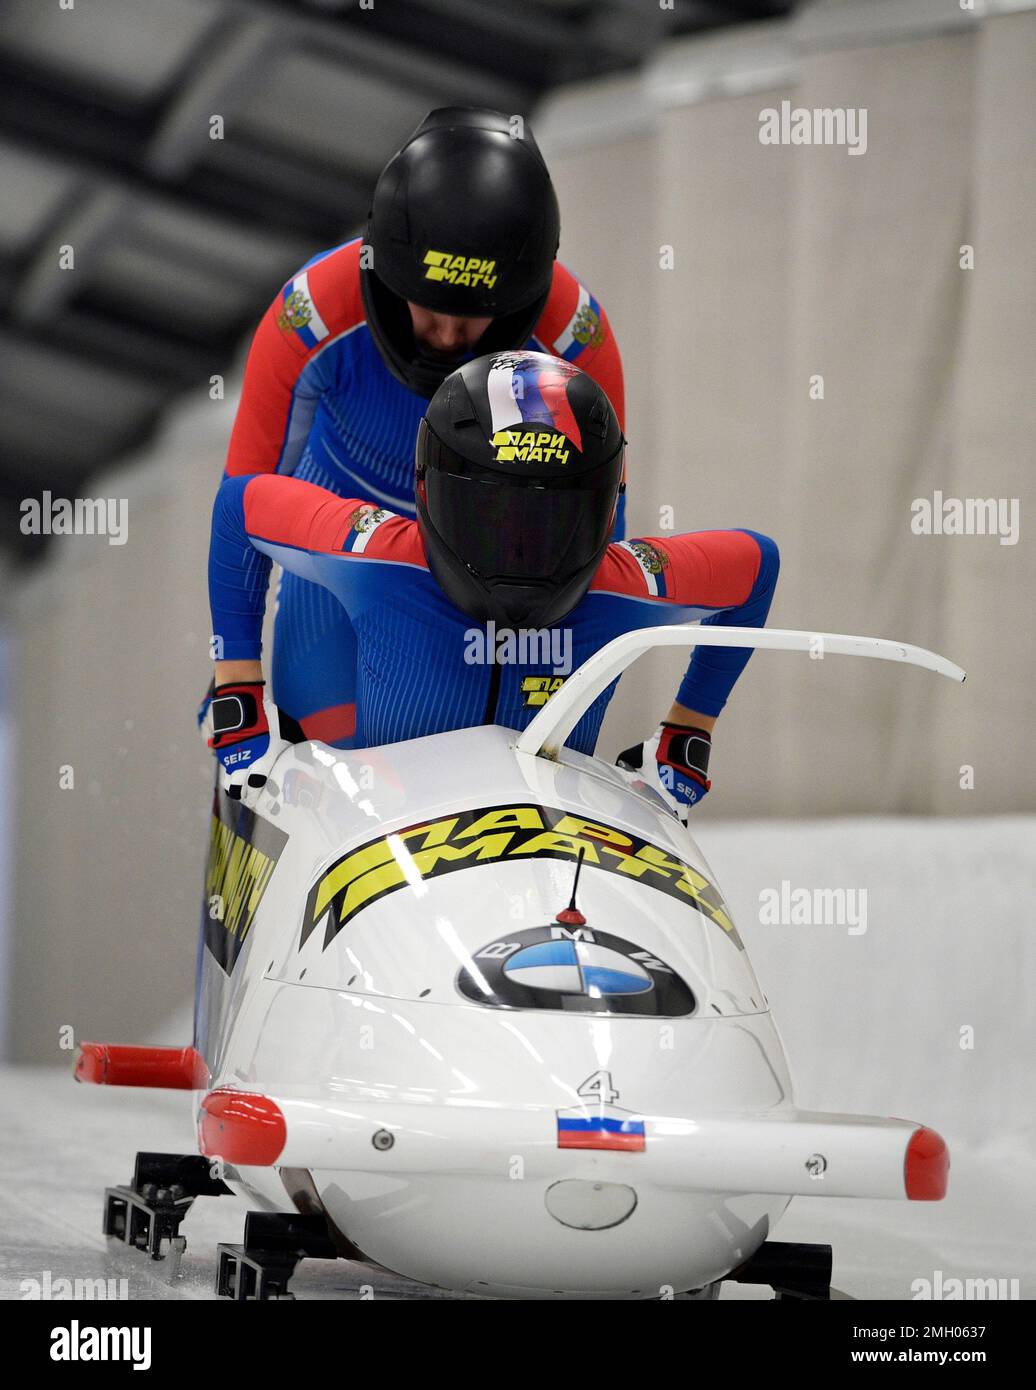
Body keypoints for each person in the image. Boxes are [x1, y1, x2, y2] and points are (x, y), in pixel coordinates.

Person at [207, 352, 778, 822]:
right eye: (491, 518)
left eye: (551, 522)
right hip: (385, 850)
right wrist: (238, 693)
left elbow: (757, 564)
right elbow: (238, 508)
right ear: (430, 490)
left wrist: (687, 734)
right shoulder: (380, 559)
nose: (520, 552)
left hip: (545, 865)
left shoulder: (616, 587)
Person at [218, 106, 625, 748]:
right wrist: (234, 667)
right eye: (431, 310)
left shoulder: (577, 341)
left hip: (494, 587)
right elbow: (243, 496)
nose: (447, 337)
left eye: (473, 320)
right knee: (330, 752)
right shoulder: (312, 312)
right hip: (339, 566)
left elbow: (598, 530)